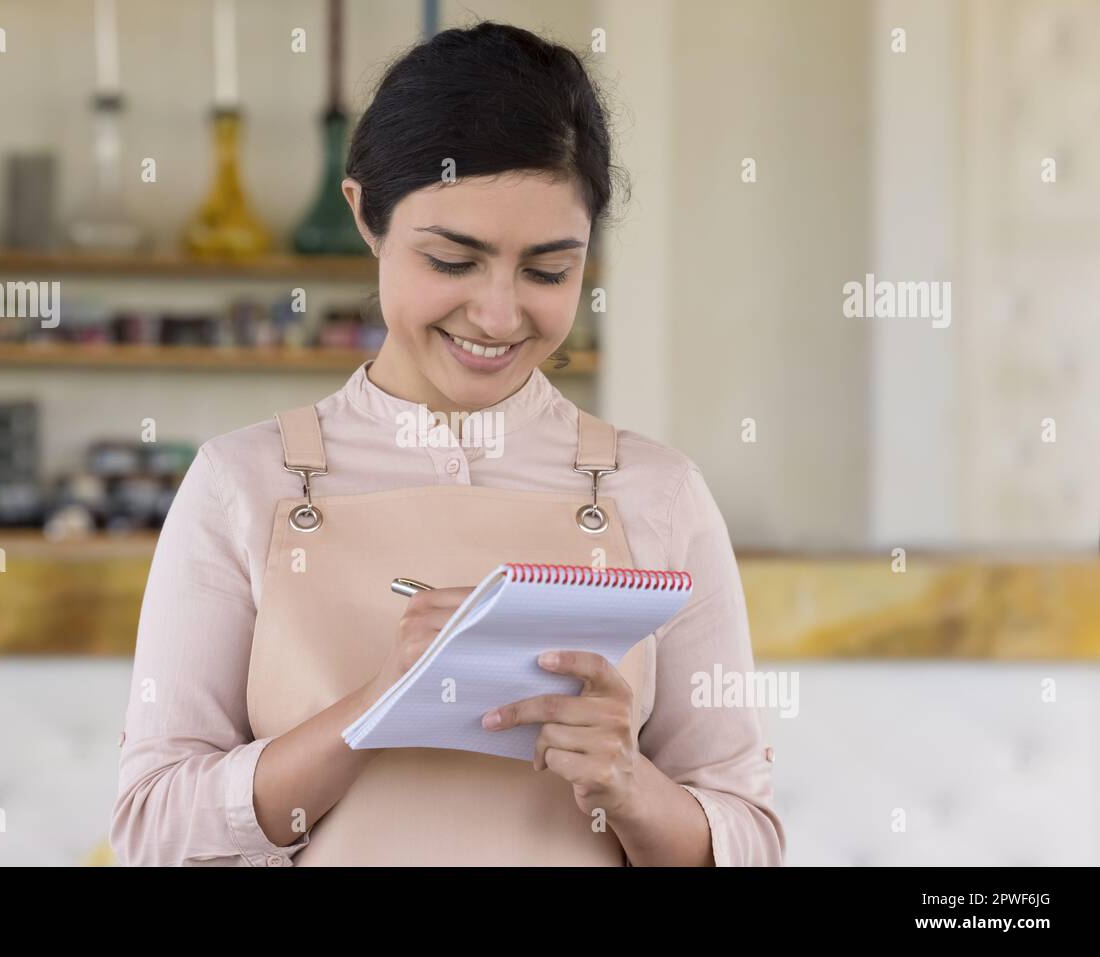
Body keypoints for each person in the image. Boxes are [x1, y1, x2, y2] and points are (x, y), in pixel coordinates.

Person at [111, 21, 785, 867]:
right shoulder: (241, 484)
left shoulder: (659, 494)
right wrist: (379, 706)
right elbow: (150, 830)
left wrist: (629, 782)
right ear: (367, 216)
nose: (500, 316)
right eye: (453, 260)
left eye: (548, 272)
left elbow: (751, 840)